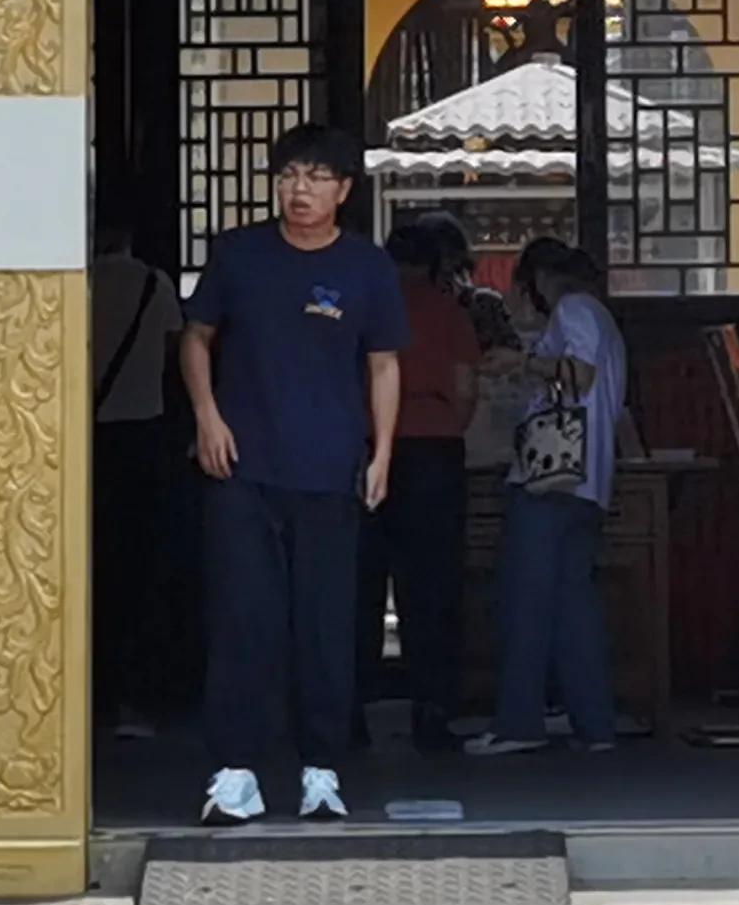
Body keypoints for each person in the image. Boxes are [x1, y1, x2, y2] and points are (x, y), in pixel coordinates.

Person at [180, 123, 404, 825]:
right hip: (243, 470)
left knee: (325, 624)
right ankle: (236, 770)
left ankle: (321, 769)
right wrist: (207, 417)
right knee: (244, 618)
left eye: (314, 177)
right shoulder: (240, 256)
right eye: (288, 176)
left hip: (330, 470)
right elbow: (196, 336)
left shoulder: (366, 268)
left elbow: (385, 364)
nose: (298, 189)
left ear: (343, 190)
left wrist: (383, 453)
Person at [469, 236, 626, 757]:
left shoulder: (573, 311)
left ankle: (519, 721)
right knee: (572, 607)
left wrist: (520, 363)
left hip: (550, 477)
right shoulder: (602, 317)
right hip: (588, 481)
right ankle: (593, 723)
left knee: (526, 603)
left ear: (537, 281)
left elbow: (577, 374)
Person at [364, 219, 480, 753]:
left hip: (370, 447)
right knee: (431, 584)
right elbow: (464, 392)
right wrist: (447, 425)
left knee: (361, 581)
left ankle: (350, 708)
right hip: (434, 447)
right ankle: (432, 709)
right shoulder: (449, 311)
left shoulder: (368, 307)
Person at [88, 203, 187, 735]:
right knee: (136, 565)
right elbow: (177, 353)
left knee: (88, 564)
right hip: (141, 432)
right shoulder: (155, 285)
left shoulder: (74, 284)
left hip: (81, 435)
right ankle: (132, 696)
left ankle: (90, 694)